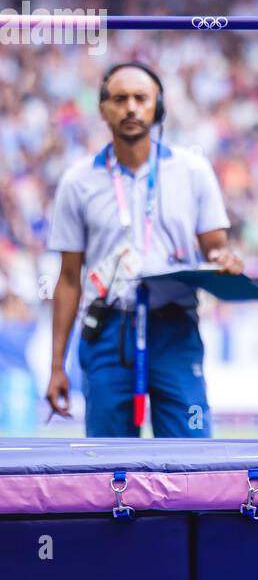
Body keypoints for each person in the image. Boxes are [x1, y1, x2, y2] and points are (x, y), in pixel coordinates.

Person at [46, 62, 243, 438]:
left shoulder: (193, 171)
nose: (131, 108)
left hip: (175, 328)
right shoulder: (77, 181)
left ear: (159, 107)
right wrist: (57, 365)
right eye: (120, 99)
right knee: (107, 463)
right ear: (103, 109)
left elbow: (216, 249)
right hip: (108, 329)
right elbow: (69, 279)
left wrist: (224, 260)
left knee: (192, 451)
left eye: (141, 98)